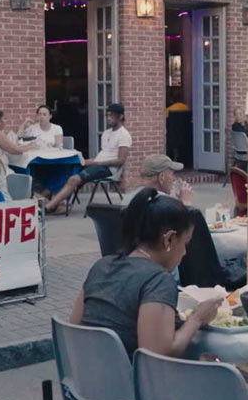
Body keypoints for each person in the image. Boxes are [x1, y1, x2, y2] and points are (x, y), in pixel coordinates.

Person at [69, 190, 221, 355]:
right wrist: (197, 318)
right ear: (169, 239)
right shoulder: (158, 280)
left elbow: (74, 329)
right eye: (186, 243)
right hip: (129, 378)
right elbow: (157, 354)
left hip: (87, 374)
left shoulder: (101, 266)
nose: (185, 252)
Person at [46, 103, 132, 211]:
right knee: (68, 169)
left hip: (108, 169)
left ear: (120, 117)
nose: (109, 118)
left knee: (74, 179)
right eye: (107, 115)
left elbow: (121, 161)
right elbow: (102, 155)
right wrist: (86, 161)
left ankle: (48, 207)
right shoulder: (106, 133)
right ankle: (59, 203)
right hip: (98, 164)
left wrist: (96, 163)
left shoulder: (124, 135)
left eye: (112, 116)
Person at [127, 154, 192, 207]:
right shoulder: (163, 204)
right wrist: (186, 202)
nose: (174, 179)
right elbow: (187, 222)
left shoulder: (130, 198)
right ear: (161, 177)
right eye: (172, 175)